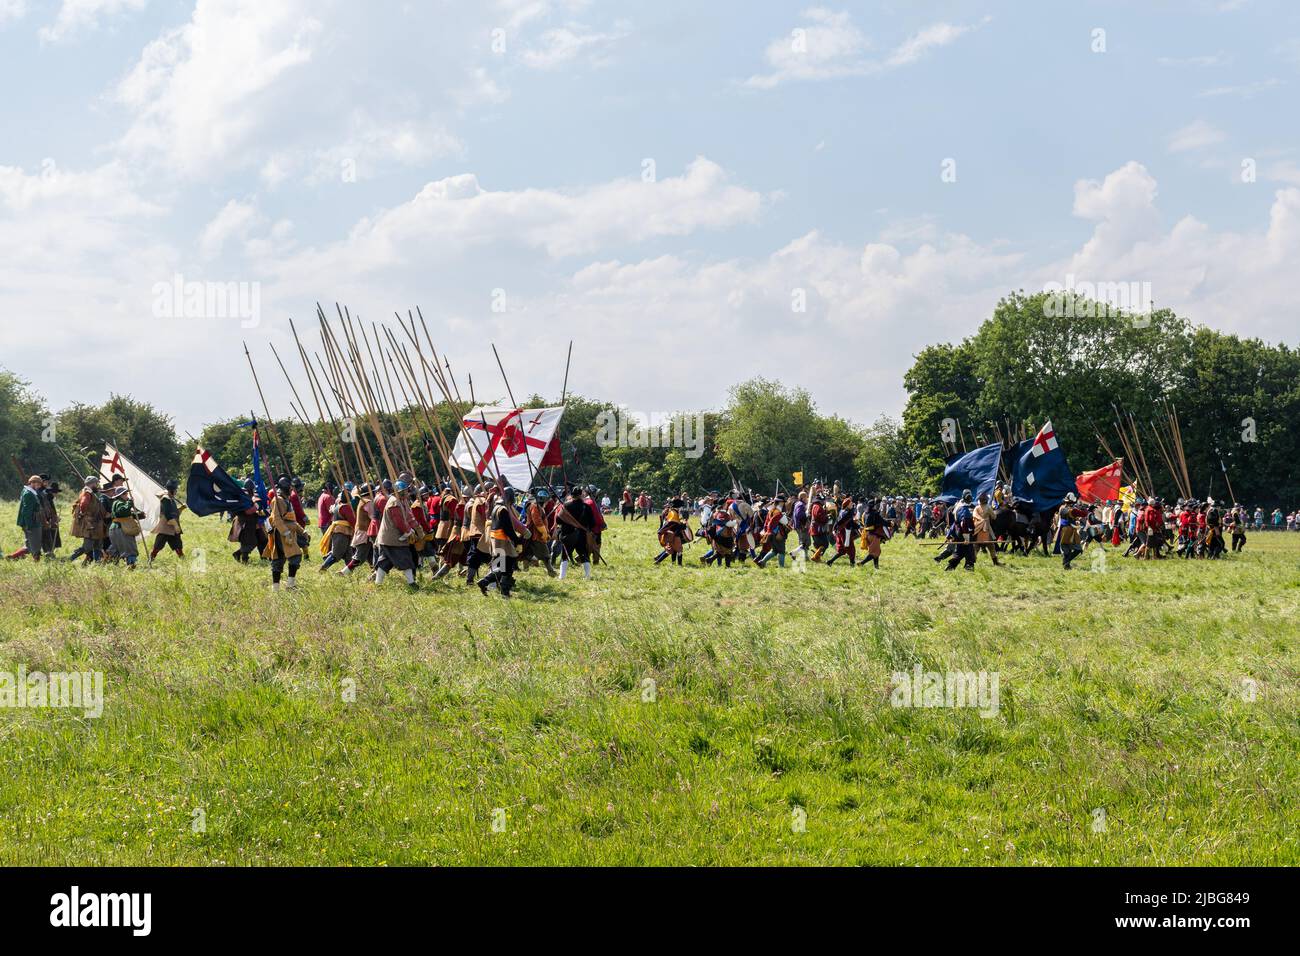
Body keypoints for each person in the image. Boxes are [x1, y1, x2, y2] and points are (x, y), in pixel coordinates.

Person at [479, 485, 528, 597]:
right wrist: (517, 541)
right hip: (503, 541)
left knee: (503, 566)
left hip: (496, 540)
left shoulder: (496, 507)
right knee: (507, 566)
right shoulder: (504, 510)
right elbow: (508, 529)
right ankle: (487, 583)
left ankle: (501, 590)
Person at [374, 480, 419, 587]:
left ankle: (377, 584)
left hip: (389, 539)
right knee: (406, 559)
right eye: (405, 491)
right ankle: (411, 583)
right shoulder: (394, 503)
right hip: (394, 539)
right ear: (400, 492)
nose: (407, 493)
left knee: (385, 562)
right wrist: (408, 532)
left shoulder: (399, 501)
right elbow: (398, 521)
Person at [266, 476, 304, 590]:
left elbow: (291, 520)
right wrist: (286, 533)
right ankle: (289, 586)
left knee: (279, 559)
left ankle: (276, 588)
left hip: (287, 532)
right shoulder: (278, 500)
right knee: (295, 555)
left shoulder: (285, 500)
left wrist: (302, 531)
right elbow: (277, 520)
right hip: (282, 534)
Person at [556, 485, 594, 580]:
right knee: (583, 553)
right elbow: (592, 523)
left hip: (567, 534)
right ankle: (587, 575)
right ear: (581, 495)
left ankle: (562, 576)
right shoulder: (587, 507)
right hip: (581, 534)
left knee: (565, 555)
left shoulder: (566, 506)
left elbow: (558, 520)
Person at [68, 476, 107, 564]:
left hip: (95, 523)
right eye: (96, 483)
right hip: (90, 523)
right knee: (87, 547)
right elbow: (83, 504)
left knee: (97, 545)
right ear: (92, 483)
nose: (97, 485)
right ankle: (70, 559)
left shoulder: (90, 492)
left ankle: (97, 563)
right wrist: (82, 512)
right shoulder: (87, 492)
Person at [107, 485, 145, 569]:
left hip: (115, 529)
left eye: (126, 493)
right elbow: (121, 512)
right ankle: (131, 568)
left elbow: (125, 514)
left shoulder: (117, 503)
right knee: (130, 549)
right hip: (122, 529)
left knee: (116, 551)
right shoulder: (120, 503)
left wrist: (138, 514)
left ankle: (112, 569)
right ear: (120, 495)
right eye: (125, 494)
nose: (126, 495)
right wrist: (130, 503)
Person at [149, 479, 186, 561]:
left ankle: (183, 560)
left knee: (178, 545)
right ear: (172, 490)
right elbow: (168, 515)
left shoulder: (171, 499)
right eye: (175, 490)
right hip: (166, 527)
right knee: (158, 546)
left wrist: (181, 509)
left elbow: (175, 513)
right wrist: (176, 525)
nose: (176, 491)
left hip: (173, 526)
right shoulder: (165, 499)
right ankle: (150, 560)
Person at [12, 475, 45, 562]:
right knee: (35, 544)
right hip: (32, 523)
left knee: (29, 545)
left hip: (34, 521)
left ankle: (12, 557)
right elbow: (26, 512)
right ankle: (36, 564)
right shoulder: (28, 494)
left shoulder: (30, 492)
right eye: (38, 484)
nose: (39, 487)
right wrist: (29, 526)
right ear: (33, 483)